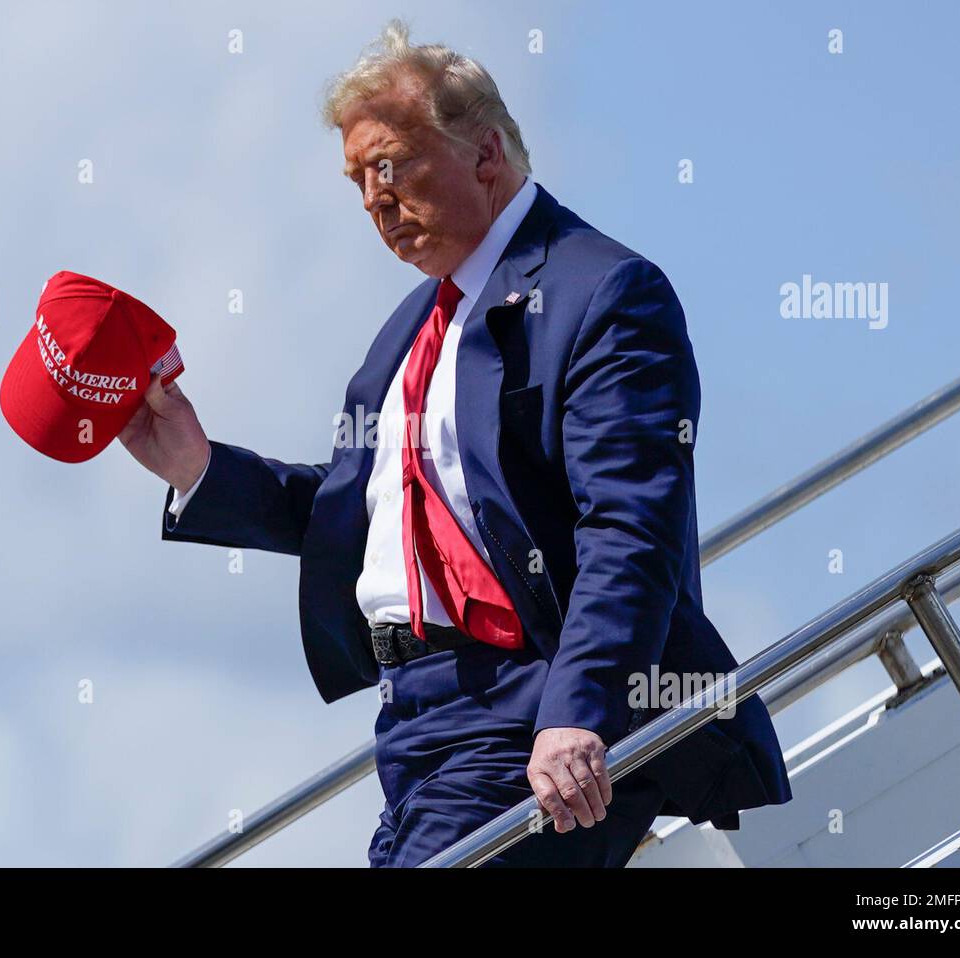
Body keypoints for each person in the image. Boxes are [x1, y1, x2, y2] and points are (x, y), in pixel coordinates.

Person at [120, 20, 791, 867]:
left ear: (485, 155)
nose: (374, 198)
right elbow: (366, 514)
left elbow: (630, 529)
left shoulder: (604, 291)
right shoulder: (407, 333)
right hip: (416, 724)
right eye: (359, 180)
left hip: (530, 707)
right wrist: (197, 467)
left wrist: (577, 711)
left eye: (391, 165)